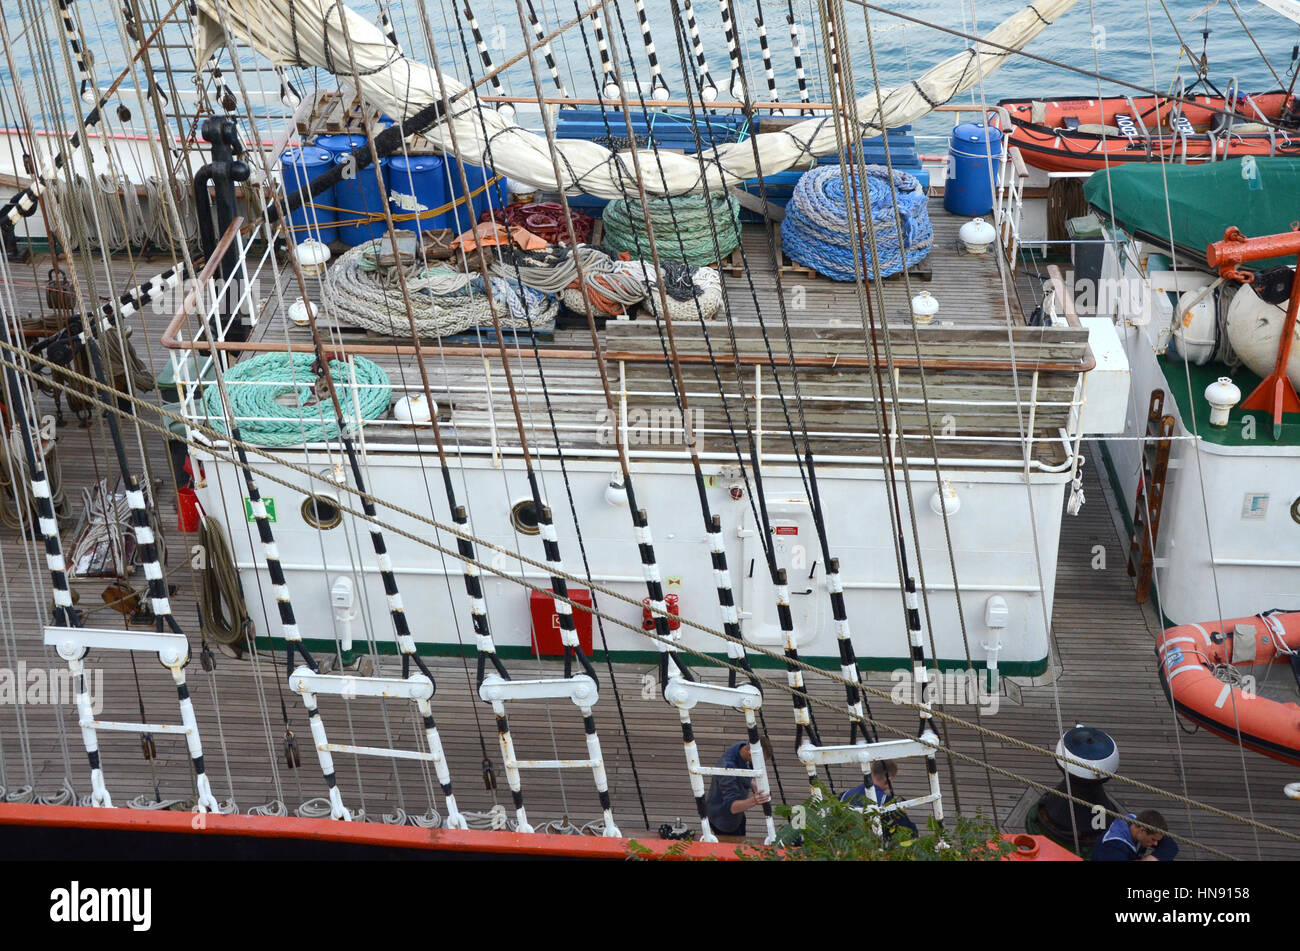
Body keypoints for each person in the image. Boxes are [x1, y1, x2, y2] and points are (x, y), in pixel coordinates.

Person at [704, 739, 770, 837]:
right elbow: (732, 807)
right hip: (724, 820)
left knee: (741, 827)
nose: (761, 765)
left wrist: (752, 783)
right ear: (750, 753)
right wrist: (755, 800)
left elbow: (746, 769)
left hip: (738, 815)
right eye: (760, 761)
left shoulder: (743, 746)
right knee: (733, 847)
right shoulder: (727, 770)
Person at [839, 760, 919, 835]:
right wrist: (901, 813)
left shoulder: (844, 796)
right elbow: (909, 833)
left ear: (871, 773)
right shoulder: (888, 803)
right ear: (889, 780)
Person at [1091, 809, 1178, 861]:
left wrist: (1153, 858)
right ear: (1142, 831)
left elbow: (1171, 846)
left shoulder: (1138, 825)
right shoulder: (1113, 845)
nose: (1155, 844)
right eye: (1153, 839)